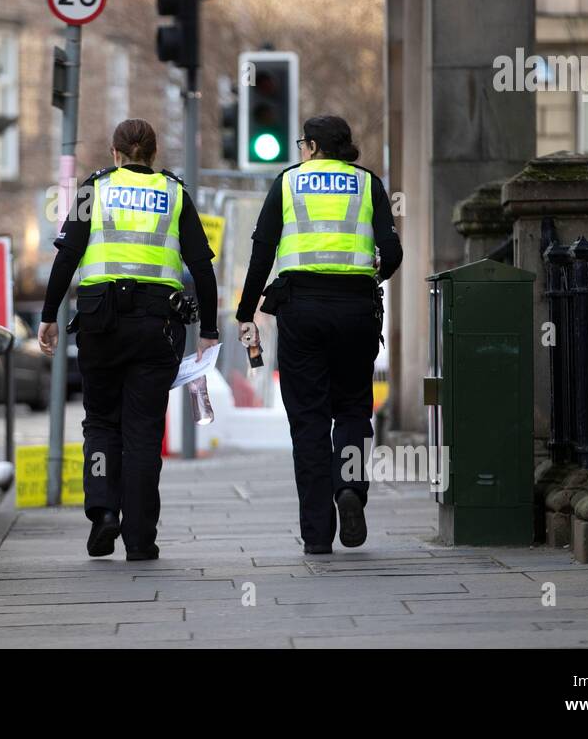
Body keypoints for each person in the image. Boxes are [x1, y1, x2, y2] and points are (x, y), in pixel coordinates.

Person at [38, 119, 219, 561]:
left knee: (101, 423)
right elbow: (201, 267)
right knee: (142, 433)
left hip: (101, 323)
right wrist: (209, 330)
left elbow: (67, 257)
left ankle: (103, 513)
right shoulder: (175, 193)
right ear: (153, 154)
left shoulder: (92, 189)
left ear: (115, 153)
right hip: (158, 327)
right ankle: (140, 539)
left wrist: (48, 317)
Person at [236, 115, 402, 554]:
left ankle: (316, 534)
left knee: (308, 421)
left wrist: (245, 310)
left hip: (301, 311)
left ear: (310, 146)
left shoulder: (288, 183)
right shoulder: (369, 183)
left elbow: (261, 250)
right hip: (355, 310)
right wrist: (371, 274)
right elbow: (394, 252)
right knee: (352, 410)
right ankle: (350, 487)